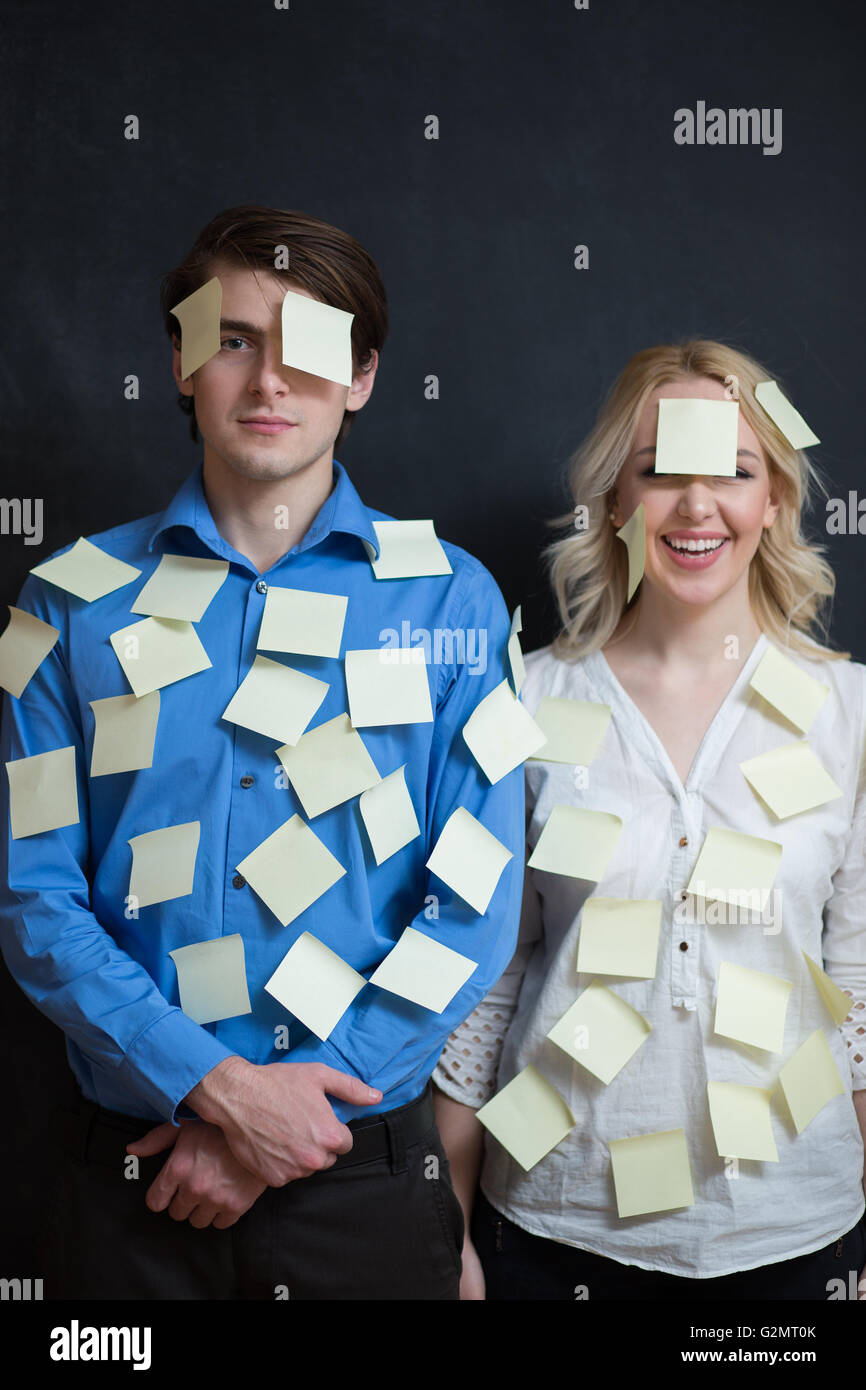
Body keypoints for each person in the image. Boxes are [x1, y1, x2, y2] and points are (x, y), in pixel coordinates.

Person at [0, 203, 524, 1300]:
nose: (270, 380)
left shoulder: (453, 602)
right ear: (181, 364)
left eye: (311, 347)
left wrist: (289, 1121)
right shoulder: (64, 605)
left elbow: (472, 906)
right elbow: (35, 899)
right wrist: (219, 1091)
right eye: (233, 339)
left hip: (364, 1175)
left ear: (362, 377)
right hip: (134, 1183)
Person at [433, 340, 866, 1300]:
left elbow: (861, 988)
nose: (697, 504)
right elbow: (486, 986)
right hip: (555, 1228)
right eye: (662, 470)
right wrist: (446, 1233)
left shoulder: (852, 714)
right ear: (614, 500)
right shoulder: (527, 703)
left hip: (797, 1237)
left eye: (734, 471)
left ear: (774, 500)